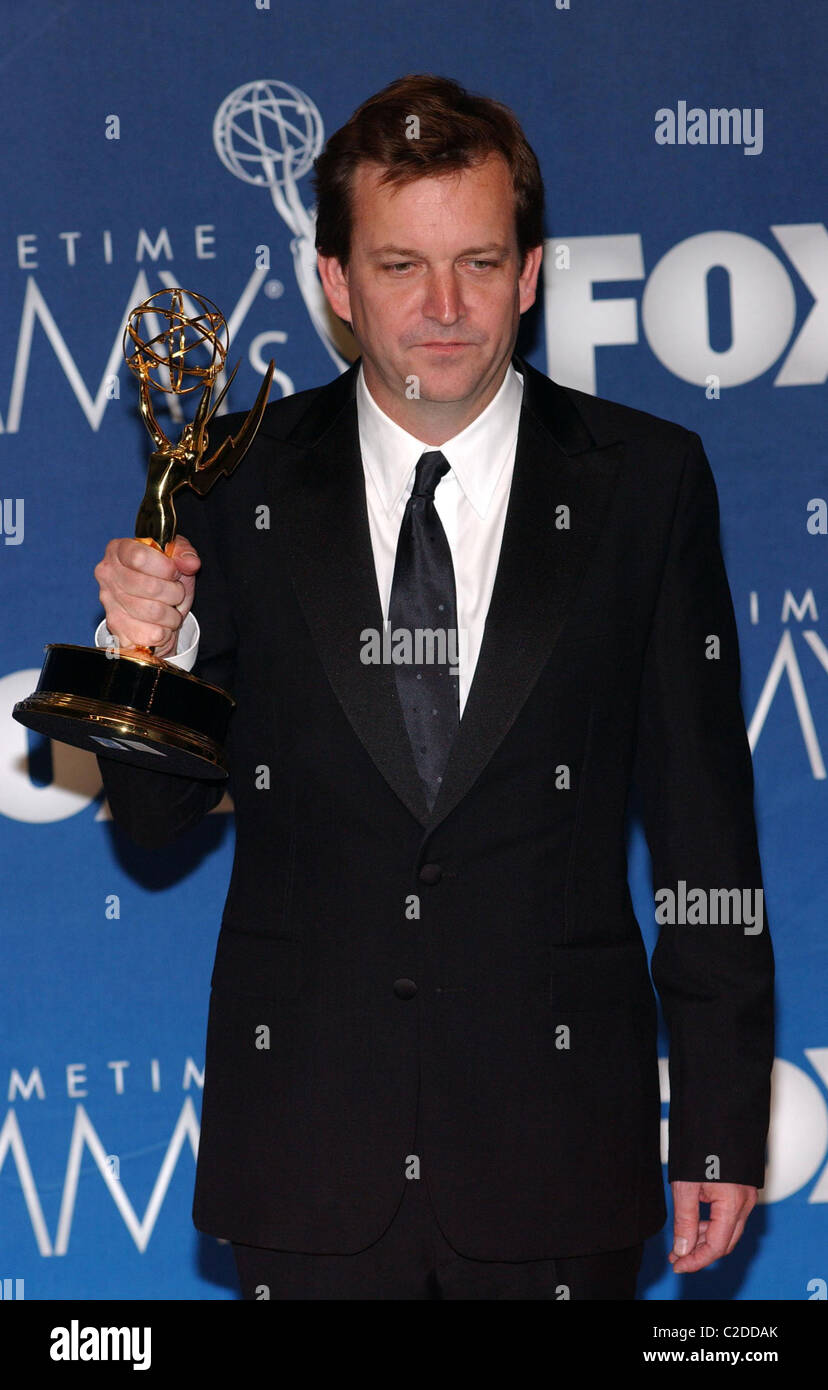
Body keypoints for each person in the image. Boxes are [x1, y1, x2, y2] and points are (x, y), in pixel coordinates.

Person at [92, 74, 774, 1300]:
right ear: (338, 286)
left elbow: (705, 833)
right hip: (305, 1159)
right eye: (402, 266)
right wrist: (150, 654)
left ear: (531, 272)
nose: (446, 307)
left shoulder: (645, 485)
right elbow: (150, 827)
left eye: (479, 261)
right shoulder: (234, 491)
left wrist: (719, 1117)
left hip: (558, 1155)